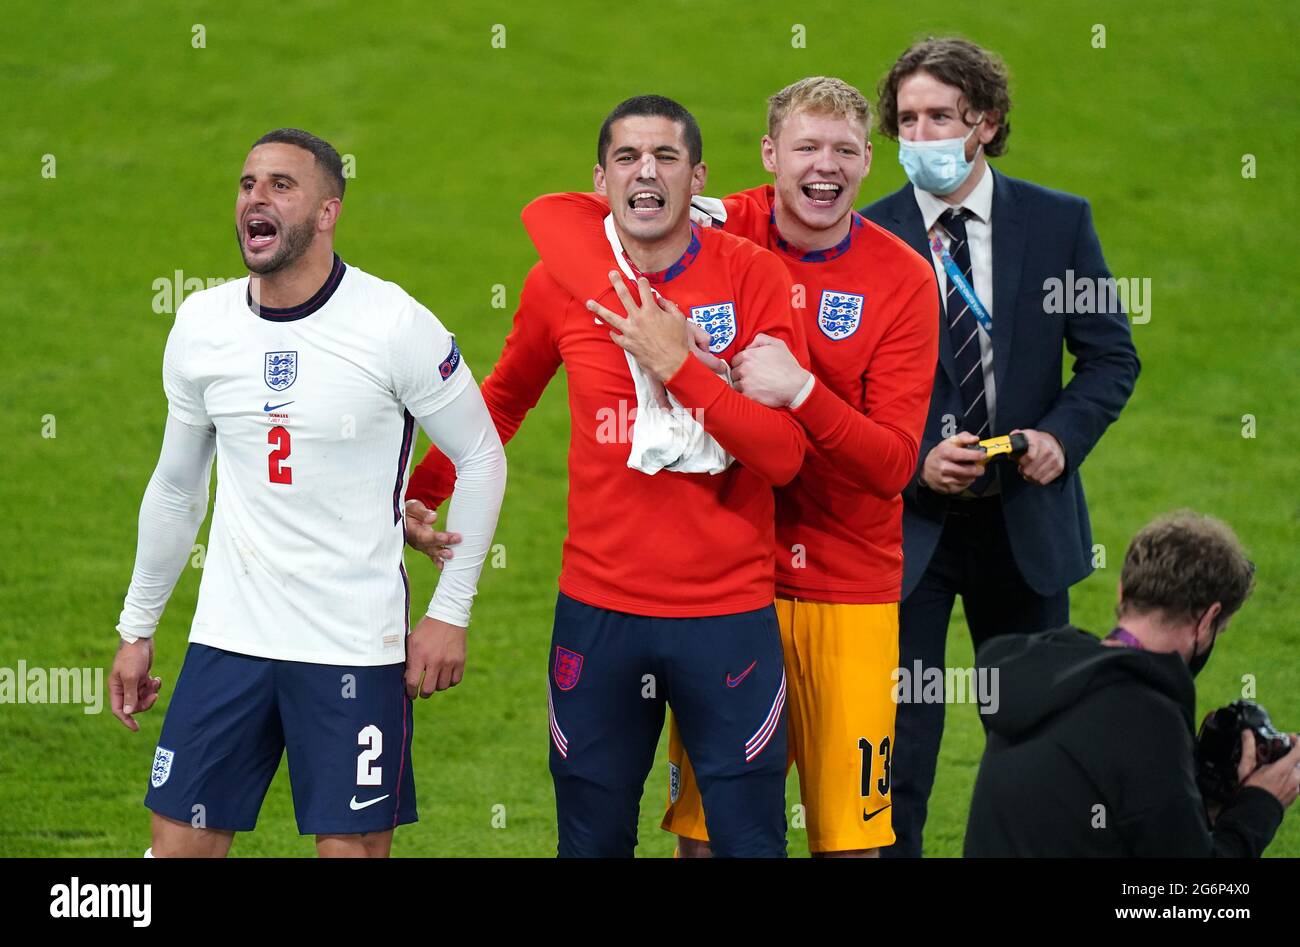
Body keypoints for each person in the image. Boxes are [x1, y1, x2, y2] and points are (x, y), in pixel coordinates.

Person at [518, 77, 939, 857]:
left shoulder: (904, 278)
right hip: (724, 583)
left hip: (842, 583)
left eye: (845, 150)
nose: (825, 167)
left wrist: (804, 390)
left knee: (848, 842)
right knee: (708, 834)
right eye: (806, 148)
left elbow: (890, 466)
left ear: (869, 163)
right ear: (769, 156)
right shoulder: (719, 222)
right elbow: (565, 219)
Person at [405, 96, 808, 857]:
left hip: (726, 613)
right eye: (627, 158)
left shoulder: (754, 276)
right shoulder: (559, 282)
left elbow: (783, 455)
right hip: (599, 613)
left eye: (665, 157)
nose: (646, 172)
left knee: (751, 840)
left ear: (698, 178)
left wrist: (680, 367)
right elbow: (504, 399)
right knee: (589, 842)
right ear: (600, 180)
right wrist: (423, 489)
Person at [109, 128, 507, 858]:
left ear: (328, 212)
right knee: (177, 849)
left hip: (355, 644)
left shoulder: (393, 324)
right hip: (230, 638)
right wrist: (137, 627)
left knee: (349, 852)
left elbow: (481, 453)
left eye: (281, 185)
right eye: (247, 183)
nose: (255, 198)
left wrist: (450, 612)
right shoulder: (203, 325)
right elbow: (175, 489)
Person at [859, 37, 1141, 857]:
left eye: (940, 116)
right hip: (910, 528)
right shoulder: (868, 237)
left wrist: (1061, 435)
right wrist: (913, 458)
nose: (921, 134)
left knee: (1030, 741)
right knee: (898, 748)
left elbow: (1111, 355)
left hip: (1024, 524)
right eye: (907, 119)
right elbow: (843, 388)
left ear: (984, 122)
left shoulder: (1058, 223)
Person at [965, 510, 1298, 857]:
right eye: (1221, 628)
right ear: (1208, 619)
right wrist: (1260, 804)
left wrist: (1208, 807)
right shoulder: (1147, 716)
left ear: (1123, 591)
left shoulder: (1037, 668)